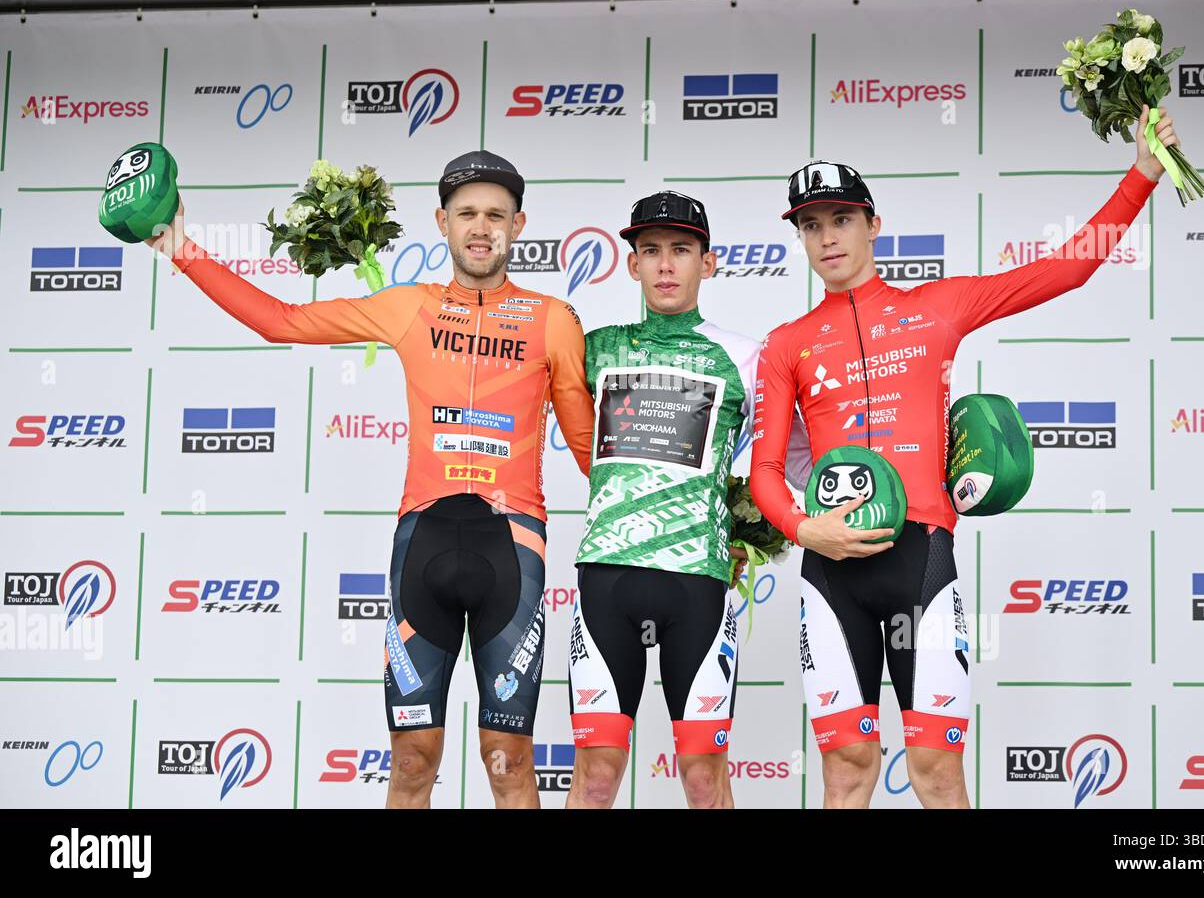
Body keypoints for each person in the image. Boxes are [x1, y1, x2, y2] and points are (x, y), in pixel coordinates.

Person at [750, 105, 1179, 808]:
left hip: (920, 559)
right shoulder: (786, 343)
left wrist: (1143, 173)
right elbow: (766, 470)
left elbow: (1068, 270)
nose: (827, 238)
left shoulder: (936, 308)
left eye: (841, 219)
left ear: (872, 224)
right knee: (847, 768)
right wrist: (805, 530)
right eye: (811, 225)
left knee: (937, 771)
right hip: (831, 571)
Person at [147, 150, 593, 809]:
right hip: (425, 544)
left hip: (514, 550)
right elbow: (283, 322)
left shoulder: (554, 319)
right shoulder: (406, 306)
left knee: (509, 760)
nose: (481, 226)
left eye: (496, 214)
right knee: (413, 761)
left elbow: (590, 450)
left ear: (518, 225)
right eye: (466, 212)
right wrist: (182, 249)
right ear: (441, 222)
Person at [565, 191, 809, 809]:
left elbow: (797, 457)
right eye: (650, 251)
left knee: (703, 778)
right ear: (632, 265)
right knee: (595, 778)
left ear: (709, 262)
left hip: (697, 581)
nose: (666, 265)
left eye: (681, 250)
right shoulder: (595, 347)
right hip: (607, 577)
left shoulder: (747, 355)